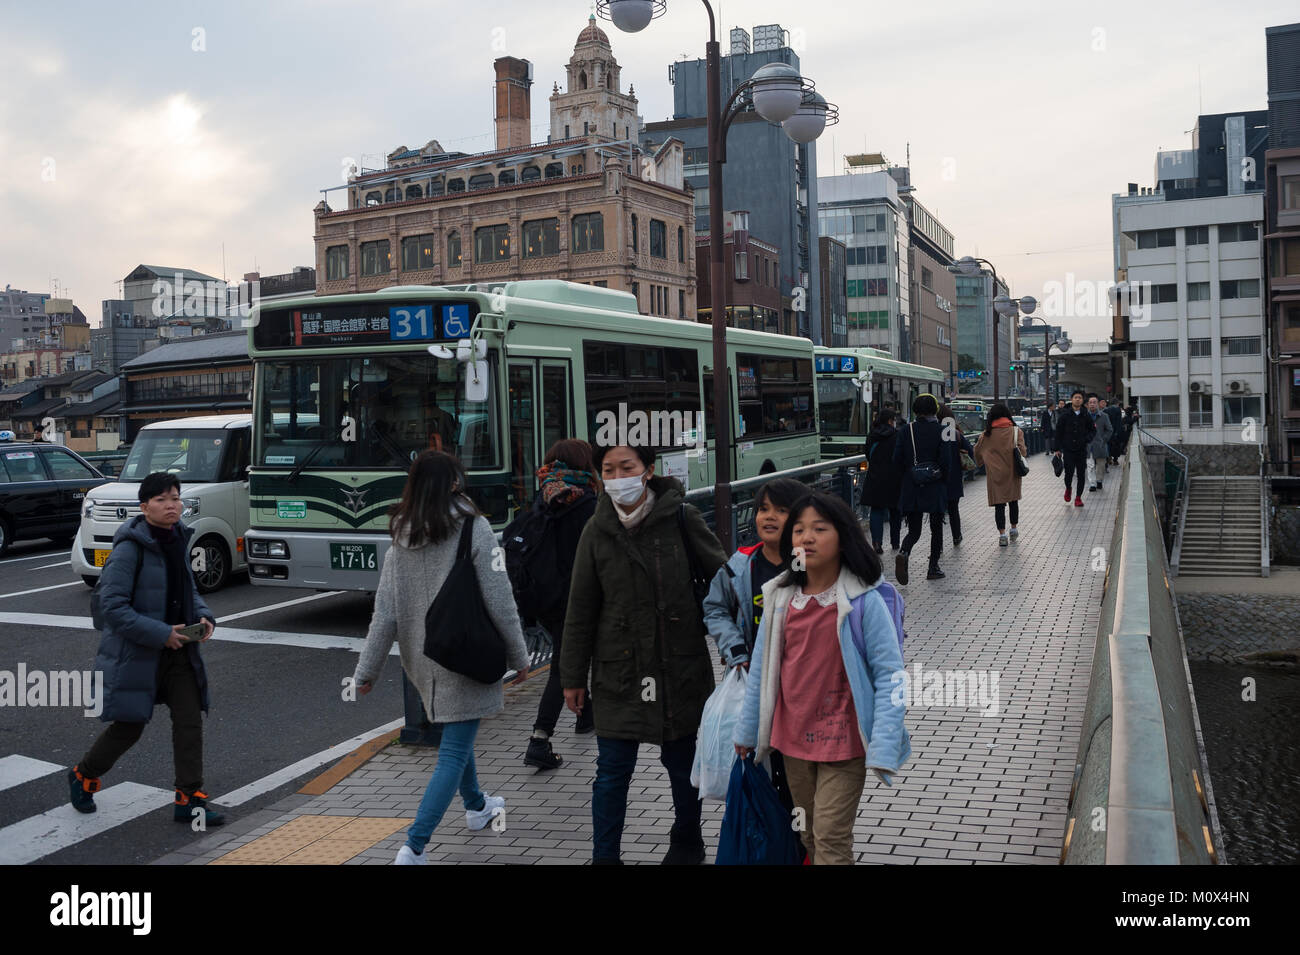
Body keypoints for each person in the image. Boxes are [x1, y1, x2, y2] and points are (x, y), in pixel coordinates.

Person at [354, 451, 531, 865]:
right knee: (451, 753)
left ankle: (477, 806)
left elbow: (386, 613)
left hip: (423, 660)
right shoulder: (474, 527)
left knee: (456, 734)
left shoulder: (400, 535)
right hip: (466, 656)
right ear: (454, 484)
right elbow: (500, 598)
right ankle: (413, 847)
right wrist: (520, 655)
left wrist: (367, 672)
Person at [560, 443, 727, 865]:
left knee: (681, 766)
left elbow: (725, 582)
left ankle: (687, 840)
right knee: (612, 773)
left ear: (648, 470)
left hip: (679, 666)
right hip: (620, 670)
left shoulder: (683, 519)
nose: (618, 478)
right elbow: (580, 609)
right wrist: (572, 677)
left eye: (627, 467)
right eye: (609, 470)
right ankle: (604, 858)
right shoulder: (596, 530)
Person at [732, 491, 910, 865]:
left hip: (845, 744)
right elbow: (763, 670)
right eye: (798, 530)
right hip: (794, 741)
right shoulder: (781, 598)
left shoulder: (864, 602)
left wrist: (884, 744)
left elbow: (891, 676)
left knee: (830, 836)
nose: (806, 538)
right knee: (809, 833)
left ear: (843, 536)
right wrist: (747, 733)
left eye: (819, 529)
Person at [69, 472, 224, 825]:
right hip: (140, 652)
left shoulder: (178, 539)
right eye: (162, 500)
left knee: (188, 723)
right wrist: (160, 633)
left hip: (181, 650)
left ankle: (188, 798)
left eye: (175, 498)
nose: (171, 505)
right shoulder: (129, 548)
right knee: (130, 726)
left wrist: (203, 615)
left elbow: (190, 590)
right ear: (144, 507)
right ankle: (83, 775)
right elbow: (112, 606)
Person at [520, 439, 599, 772]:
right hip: (575, 597)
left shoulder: (545, 494)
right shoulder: (587, 502)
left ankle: (585, 716)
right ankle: (539, 739)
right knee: (563, 667)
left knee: (570, 656)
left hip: (543, 595)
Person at [892, 393, 949, 583]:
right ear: (935, 410)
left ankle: (904, 551)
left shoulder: (905, 430)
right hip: (935, 484)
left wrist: (909, 476)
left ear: (916, 410)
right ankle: (933, 567)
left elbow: (896, 460)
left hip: (912, 485)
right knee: (936, 528)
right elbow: (946, 461)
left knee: (914, 530)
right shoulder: (943, 430)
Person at [973, 403, 1028, 546]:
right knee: (1013, 500)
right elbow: (1023, 452)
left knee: (999, 504)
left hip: (995, 474)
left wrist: (981, 462)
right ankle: (1014, 529)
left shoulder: (986, 434)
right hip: (1013, 472)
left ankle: (1002, 534)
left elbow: (977, 452)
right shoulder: (1016, 431)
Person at [861, 410, 902, 554]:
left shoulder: (872, 435)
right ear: (891, 421)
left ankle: (877, 543)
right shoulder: (897, 435)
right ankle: (895, 542)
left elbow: (868, 454)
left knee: (876, 510)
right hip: (894, 477)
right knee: (895, 510)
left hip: (875, 477)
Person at [938, 403, 973, 548]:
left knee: (937, 512)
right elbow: (970, 450)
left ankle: (938, 543)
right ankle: (956, 536)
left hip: (936, 477)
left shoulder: (933, 432)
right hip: (954, 477)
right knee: (953, 510)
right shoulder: (954, 433)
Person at [1054, 389, 1096, 507]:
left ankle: (1078, 497)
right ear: (1072, 399)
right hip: (1068, 449)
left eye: (1080, 398)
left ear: (1083, 401)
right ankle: (1068, 488)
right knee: (1069, 473)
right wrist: (1057, 448)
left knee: (1081, 474)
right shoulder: (1065, 415)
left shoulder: (1085, 415)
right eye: (1075, 397)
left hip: (1081, 449)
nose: (1078, 399)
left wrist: (1087, 439)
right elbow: (1058, 432)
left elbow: (1093, 430)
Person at [1086, 394, 1113, 492]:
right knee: (1090, 465)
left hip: (1100, 445)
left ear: (1098, 404)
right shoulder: (1085, 416)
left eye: (1094, 402)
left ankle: (1099, 481)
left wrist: (1103, 440)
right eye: (1090, 403)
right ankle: (1092, 484)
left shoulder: (1104, 416)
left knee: (1101, 465)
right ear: (1088, 405)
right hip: (1088, 445)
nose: (1092, 404)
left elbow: (1109, 430)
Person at [1102, 398, 1124, 465]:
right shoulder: (1118, 409)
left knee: (1109, 444)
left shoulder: (1106, 410)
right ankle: (1115, 460)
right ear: (1117, 403)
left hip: (1107, 430)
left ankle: (1109, 458)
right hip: (1115, 430)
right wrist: (1119, 431)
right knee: (1116, 445)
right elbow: (1119, 422)